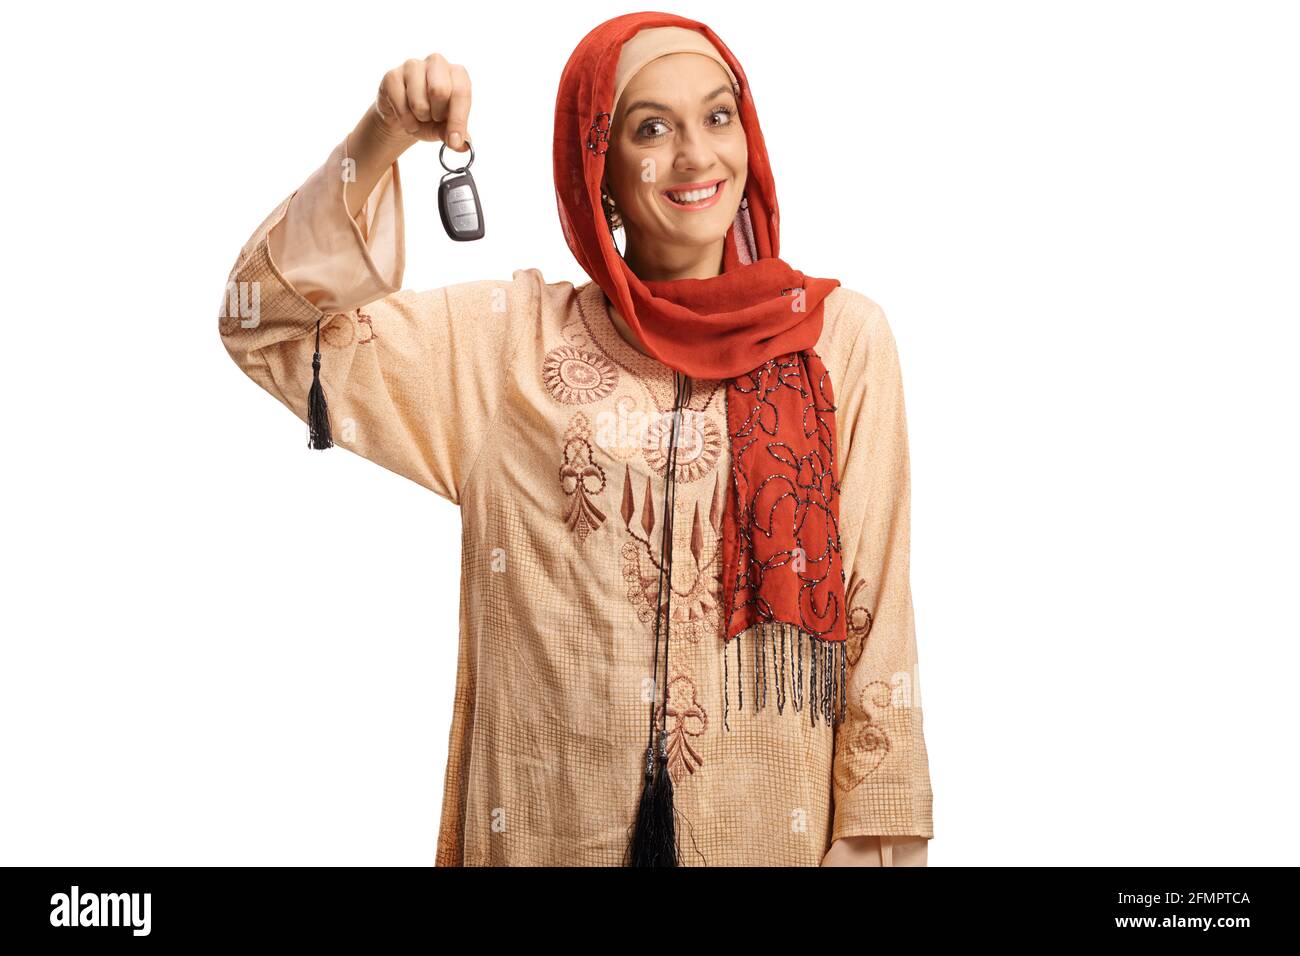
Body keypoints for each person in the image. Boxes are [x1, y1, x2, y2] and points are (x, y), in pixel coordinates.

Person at [218, 11, 933, 866]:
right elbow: (265, 325)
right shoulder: (507, 345)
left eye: (717, 116)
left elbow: (878, 608)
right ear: (599, 170)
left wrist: (876, 843)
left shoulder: (837, 341)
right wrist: (381, 139)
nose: (697, 155)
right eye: (651, 128)